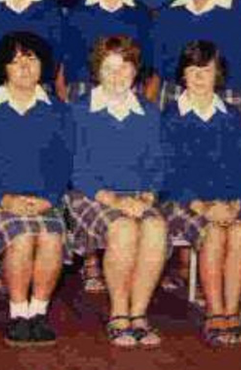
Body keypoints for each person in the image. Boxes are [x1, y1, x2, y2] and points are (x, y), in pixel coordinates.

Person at [67, 36, 168, 348]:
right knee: (123, 228)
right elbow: (75, 168)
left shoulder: (149, 112)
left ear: (135, 71)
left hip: (138, 196)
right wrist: (113, 199)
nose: (117, 75)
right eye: (109, 68)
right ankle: (118, 314)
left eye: (124, 67)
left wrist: (148, 197)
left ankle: (139, 315)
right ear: (97, 71)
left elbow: (159, 164)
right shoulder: (79, 110)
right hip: (92, 194)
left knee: (156, 227)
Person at [0, 33, 70, 347]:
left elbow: (64, 162)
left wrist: (49, 199)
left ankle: (38, 313)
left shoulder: (58, 110)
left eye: (31, 60)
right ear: (4, 69)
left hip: (44, 197)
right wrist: (4, 198)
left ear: (43, 66)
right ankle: (18, 313)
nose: (24, 68)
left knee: (52, 237)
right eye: (15, 62)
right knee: (23, 236)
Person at [160, 40, 241, 347]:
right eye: (192, 70)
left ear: (218, 73)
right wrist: (202, 206)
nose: (199, 76)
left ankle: (233, 314)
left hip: (224, 201)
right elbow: (168, 172)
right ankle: (215, 314)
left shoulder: (230, 116)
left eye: (206, 69)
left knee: (240, 231)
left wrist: (234, 203)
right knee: (214, 233)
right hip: (182, 202)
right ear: (183, 76)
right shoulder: (171, 116)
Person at [64, 0, 153, 102]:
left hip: (128, 90)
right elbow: (67, 68)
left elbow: (147, 66)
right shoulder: (77, 14)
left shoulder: (141, 15)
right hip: (86, 92)